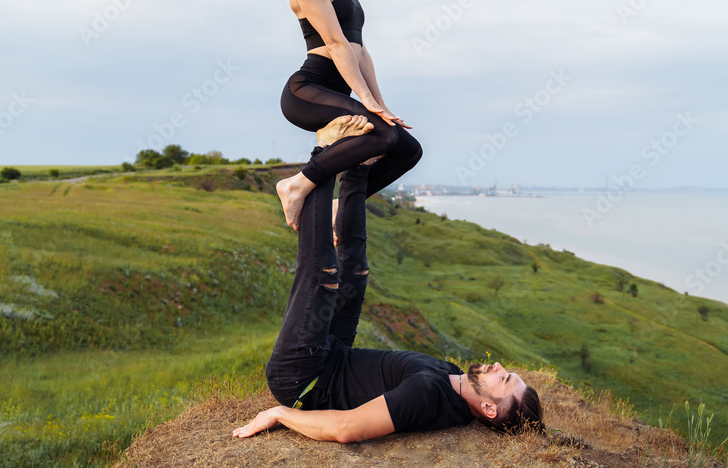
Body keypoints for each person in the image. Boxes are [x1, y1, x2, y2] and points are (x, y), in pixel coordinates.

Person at [232, 153, 544, 442]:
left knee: (323, 275)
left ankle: (320, 159)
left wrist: (279, 413)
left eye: (504, 380)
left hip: (303, 375)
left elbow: (346, 428)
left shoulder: (429, 395)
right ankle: (357, 164)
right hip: (335, 353)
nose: (500, 366)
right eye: (507, 373)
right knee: (355, 270)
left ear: (489, 408)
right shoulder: (452, 378)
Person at [275, 0, 422, 231]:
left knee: (408, 148)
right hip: (307, 91)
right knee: (382, 134)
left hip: (338, 89)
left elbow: (361, 52)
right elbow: (337, 45)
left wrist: (379, 104)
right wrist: (365, 101)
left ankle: (340, 204)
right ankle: (295, 184)